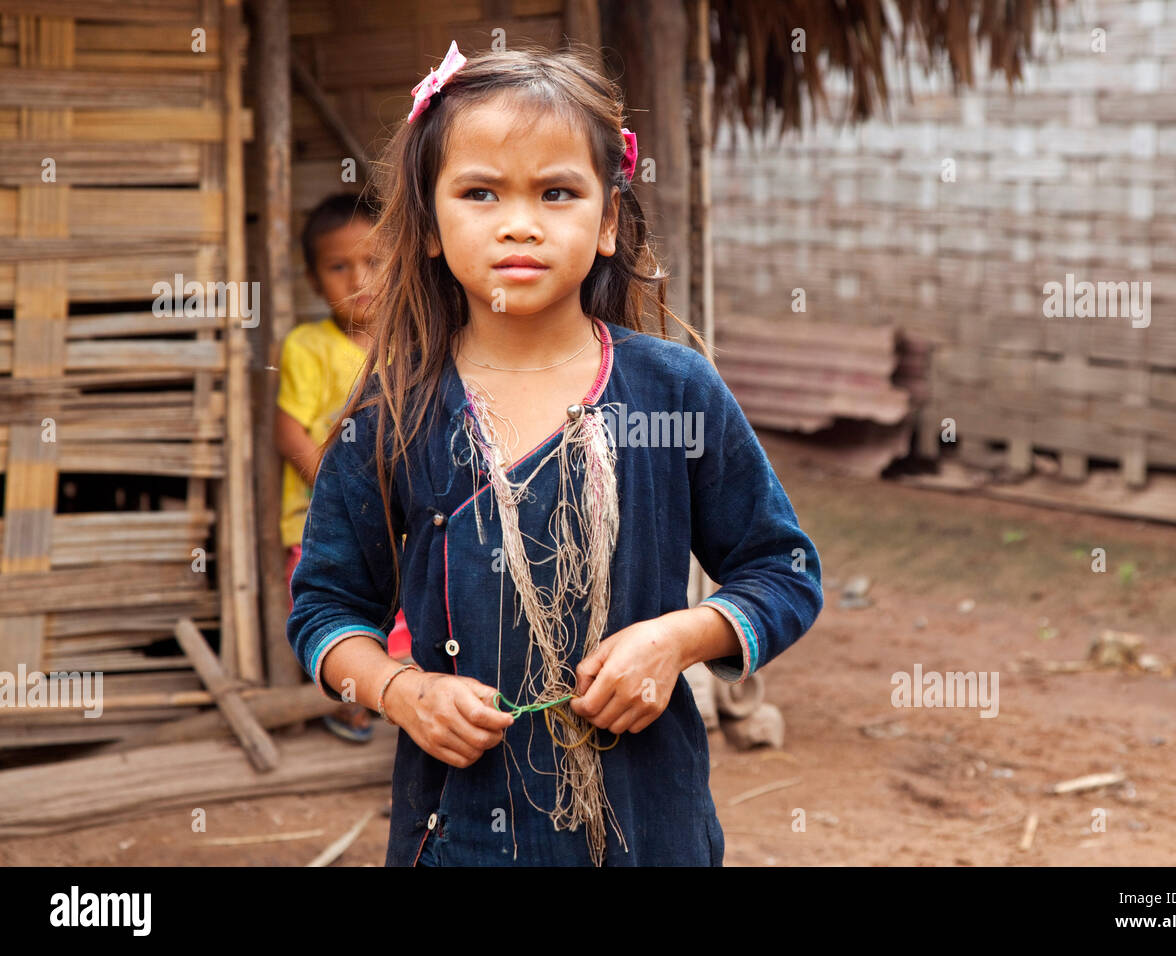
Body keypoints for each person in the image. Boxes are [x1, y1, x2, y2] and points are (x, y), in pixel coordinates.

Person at [286, 40, 822, 866]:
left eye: (558, 192)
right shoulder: (391, 411)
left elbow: (782, 571)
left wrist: (678, 640)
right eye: (480, 192)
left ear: (607, 221)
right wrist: (402, 692)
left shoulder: (674, 391)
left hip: (649, 828)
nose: (520, 222)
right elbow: (324, 609)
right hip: (456, 828)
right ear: (429, 227)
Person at [276, 192, 413, 744]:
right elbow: (288, 429)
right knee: (335, 603)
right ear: (314, 280)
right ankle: (352, 701)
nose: (358, 277)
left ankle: (402, 703)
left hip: (399, 519)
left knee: (405, 609)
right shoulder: (308, 346)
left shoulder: (414, 345)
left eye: (374, 261)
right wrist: (342, 495)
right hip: (319, 519)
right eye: (338, 266)